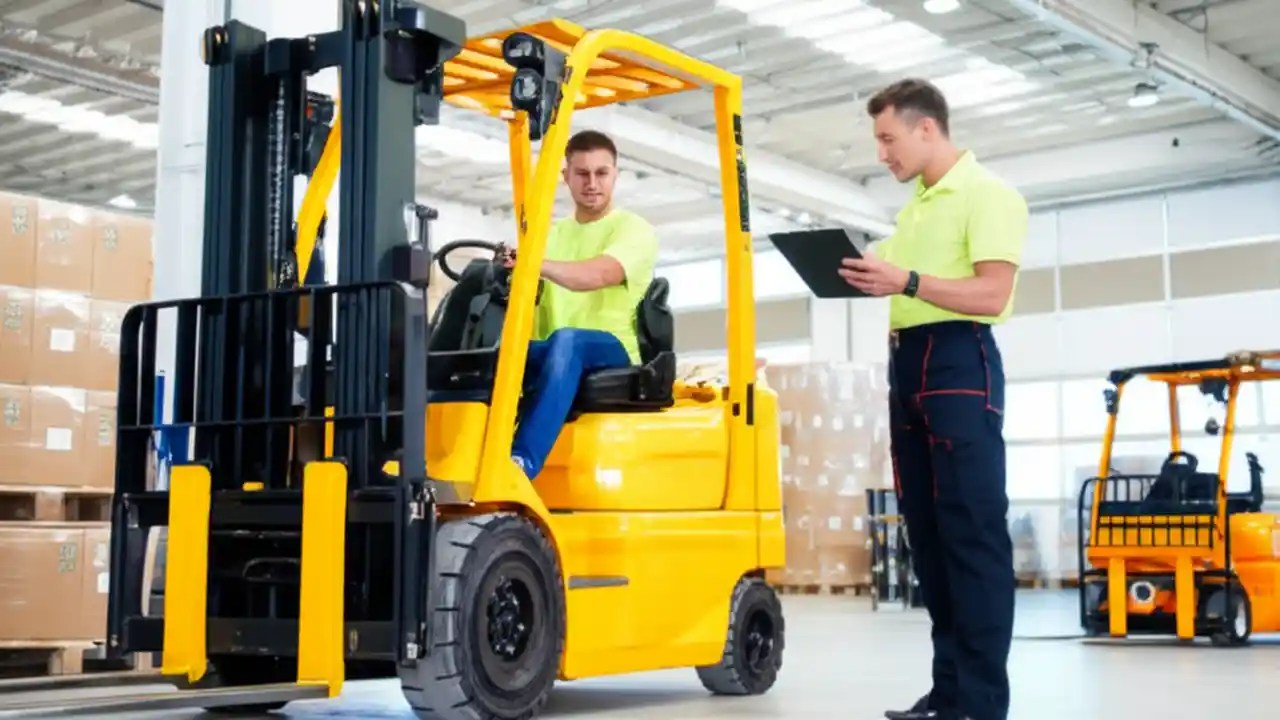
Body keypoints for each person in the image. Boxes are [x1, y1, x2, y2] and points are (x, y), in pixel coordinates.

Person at [838, 79, 1027, 720]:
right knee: (929, 539)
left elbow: (992, 295)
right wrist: (862, 271)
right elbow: (895, 282)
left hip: (959, 362)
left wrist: (907, 278)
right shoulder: (913, 210)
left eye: (888, 139)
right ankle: (948, 694)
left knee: (972, 538)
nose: (883, 154)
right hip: (907, 366)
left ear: (927, 129)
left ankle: (979, 702)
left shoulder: (989, 195)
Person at [501, 129, 658, 480]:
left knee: (569, 340)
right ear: (566, 177)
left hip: (612, 349)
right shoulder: (546, 235)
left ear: (615, 174)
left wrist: (532, 263)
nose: (592, 183)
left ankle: (521, 463)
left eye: (601, 173)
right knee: (492, 353)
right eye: (582, 173)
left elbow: (598, 274)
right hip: (554, 350)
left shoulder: (633, 229)